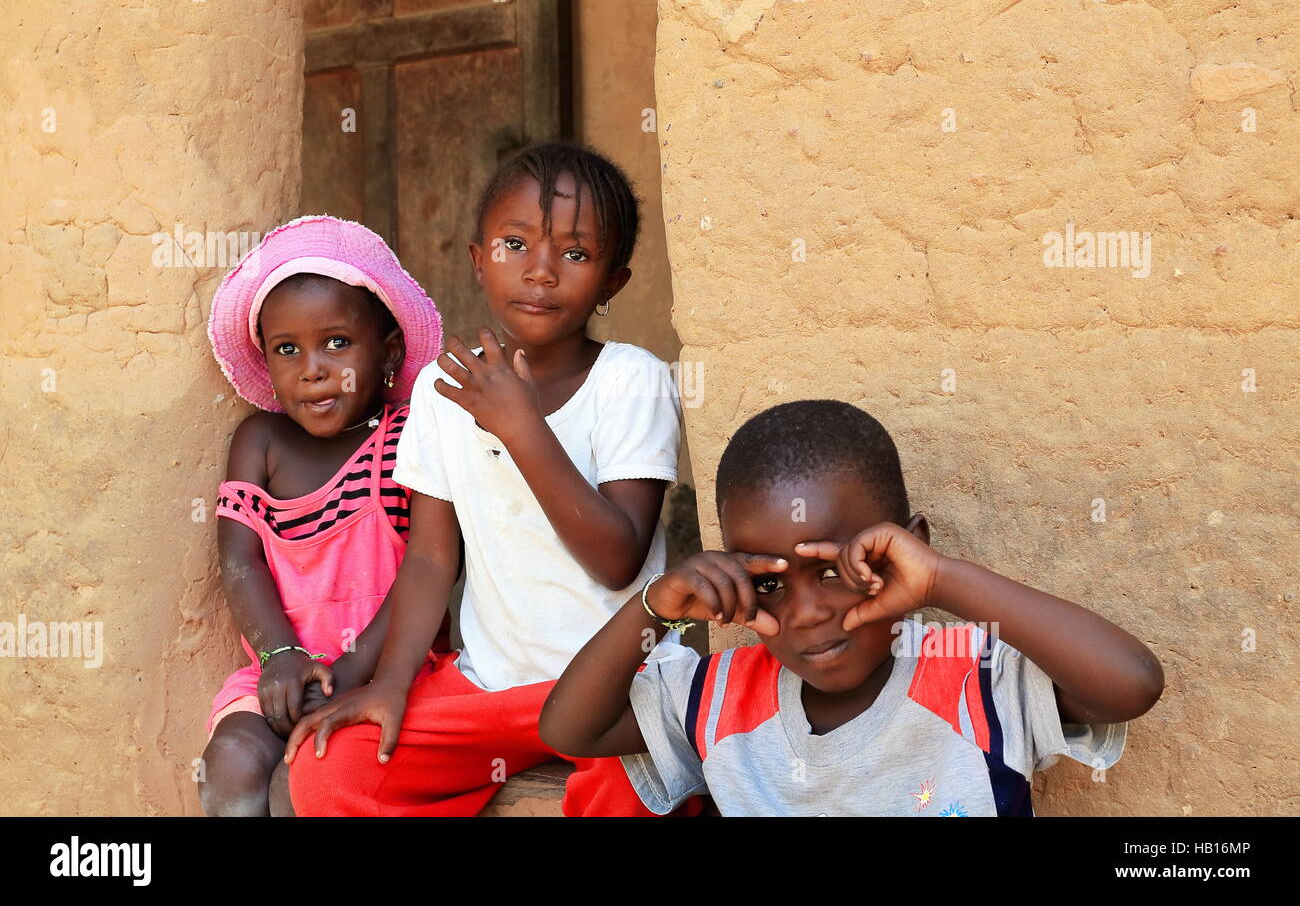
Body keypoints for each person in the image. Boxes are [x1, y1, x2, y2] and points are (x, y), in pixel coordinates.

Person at [286, 143, 699, 816]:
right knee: (332, 770)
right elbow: (430, 558)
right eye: (515, 244)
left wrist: (521, 427)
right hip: (488, 690)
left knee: (638, 784)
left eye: (574, 254)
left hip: (619, 690)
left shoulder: (633, 381)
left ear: (613, 282)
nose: (540, 273)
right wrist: (391, 682)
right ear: (478, 260)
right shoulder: (441, 390)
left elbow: (618, 557)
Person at [540, 399, 1165, 816]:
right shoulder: (719, 699)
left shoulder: (972, 677)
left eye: (835, 571)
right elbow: (570, 730)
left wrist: (943, 582)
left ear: (907, 549)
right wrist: (655, 605)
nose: (807, 612)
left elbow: (1130, 685)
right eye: (772, 583)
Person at [200, 214, 446, 816]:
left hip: (393, 674)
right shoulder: (260, 441)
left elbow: (431, 564)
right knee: (230, 759)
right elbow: (240, 558)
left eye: (337, 342)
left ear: (388, 353)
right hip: (279, 671)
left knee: (311, 775)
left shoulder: (408, 440)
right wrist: (281, 656)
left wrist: (355, 670)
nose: (312, 367)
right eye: (288, 349)